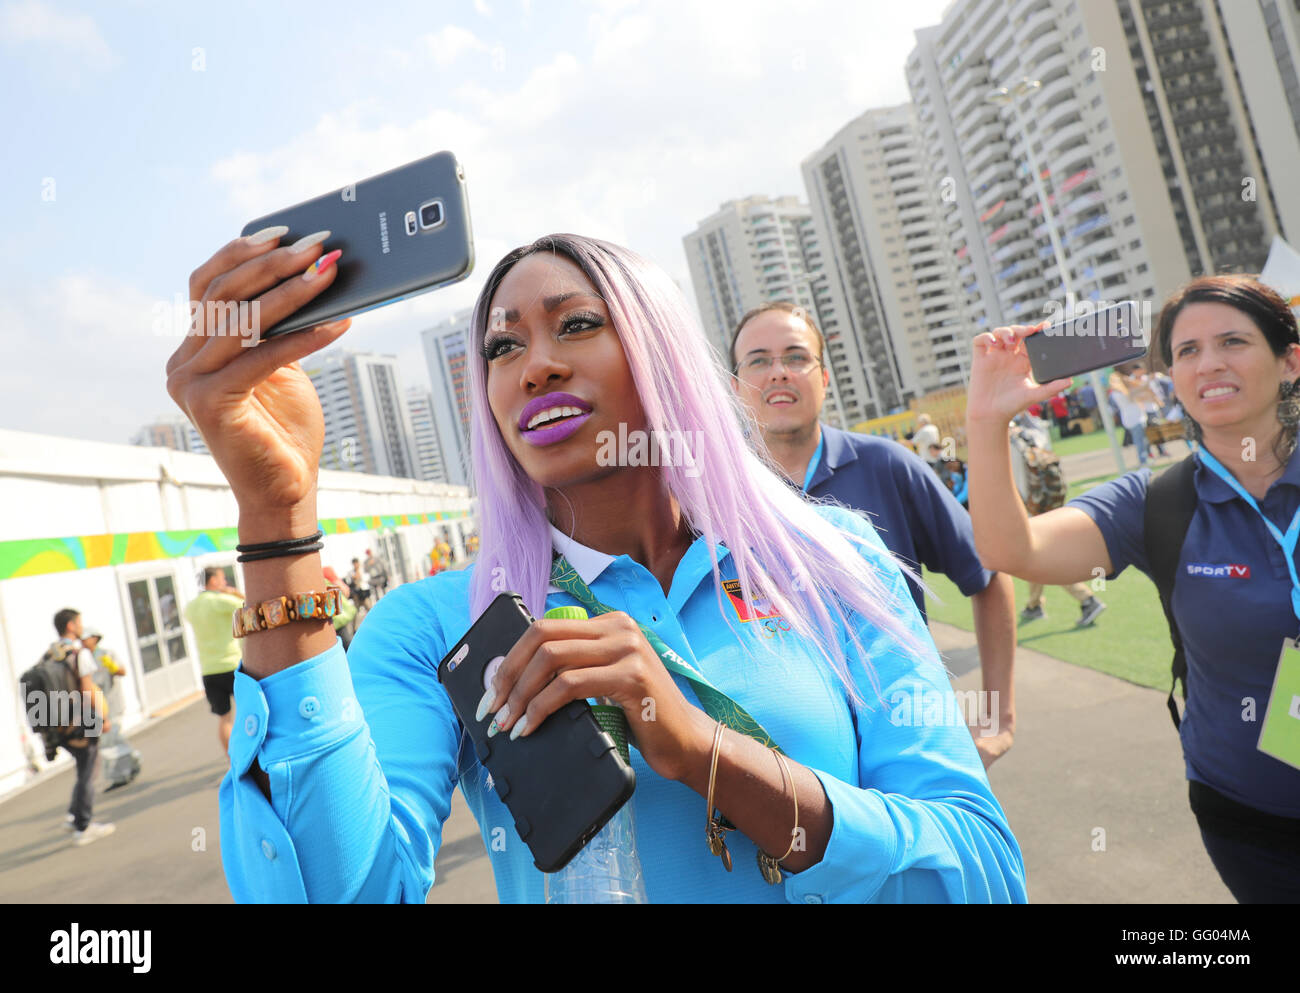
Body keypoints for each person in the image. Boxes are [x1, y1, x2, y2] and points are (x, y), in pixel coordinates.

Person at [167, 228, 1025, 903]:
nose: (535, 364)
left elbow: (978, 873)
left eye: (577, 324)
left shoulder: (830, 562)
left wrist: (700, 749)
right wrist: (277, 520)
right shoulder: (439, 626)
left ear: (666, 358)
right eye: (502, 349)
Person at [965, 274, 1300, 902]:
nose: (1210, 364)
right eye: (1188, 351)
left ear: (1290, 361)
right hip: (1252, 827)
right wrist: (987, 420)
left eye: (1233, 341)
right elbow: (1012, 550)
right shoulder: (1155, 503)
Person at [729, 301, 1017, 767]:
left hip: (909, 747)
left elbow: (985, 574)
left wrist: (998, 720)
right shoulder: (715, 498)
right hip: (786, 766)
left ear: (824, 378)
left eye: (797, 357)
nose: (778, 372)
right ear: (735, 386)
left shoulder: (888, 465)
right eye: (758, 360)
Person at [1007, 416, 1106, 628]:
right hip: (1048, 501)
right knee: (1032, 559)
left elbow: (1012, 482)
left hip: (1029, 508)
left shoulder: (1007, 445)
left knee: (1041, 561)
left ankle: (1087, 599)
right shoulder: (1033, 434)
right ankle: (1034, 605)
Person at [50, 609, 115, 845]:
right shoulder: (79, 655)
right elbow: (87, 689)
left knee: (83, 767)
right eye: (79, 623)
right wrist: (101, 719)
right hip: (81, 719)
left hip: (57, 720)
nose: (82, 626)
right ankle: (83, 827)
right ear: (70, 625)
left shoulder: (50, 654)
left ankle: (73, 816)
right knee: (89, 769)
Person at [183, 567, 245, 757]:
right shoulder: (221, 601)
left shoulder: (191, 607)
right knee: (246, 712)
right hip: (232, 664)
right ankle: (250, 756)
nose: (225, 582)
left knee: (224, 719)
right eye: (222, 578)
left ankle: (232, 760)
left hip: (209, 669)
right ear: (212, 582)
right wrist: (233, 592)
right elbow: (248, 604)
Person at [81, 627, 142, 789]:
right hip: (95, 706)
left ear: (95, 638)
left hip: (111, 702)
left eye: (86, 638)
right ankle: (132, 762)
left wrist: (112, 667)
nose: (83, 641)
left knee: (112, 738)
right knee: (111, 740)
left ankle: (120, 775)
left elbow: (122, 671)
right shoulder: (82, 659)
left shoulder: (107, 654)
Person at [321, 567, 358, 650]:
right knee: (349, 645)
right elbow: (345, 591)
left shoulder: (317, 574)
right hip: (339, 618)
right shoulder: (326, 571)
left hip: (324, 624)